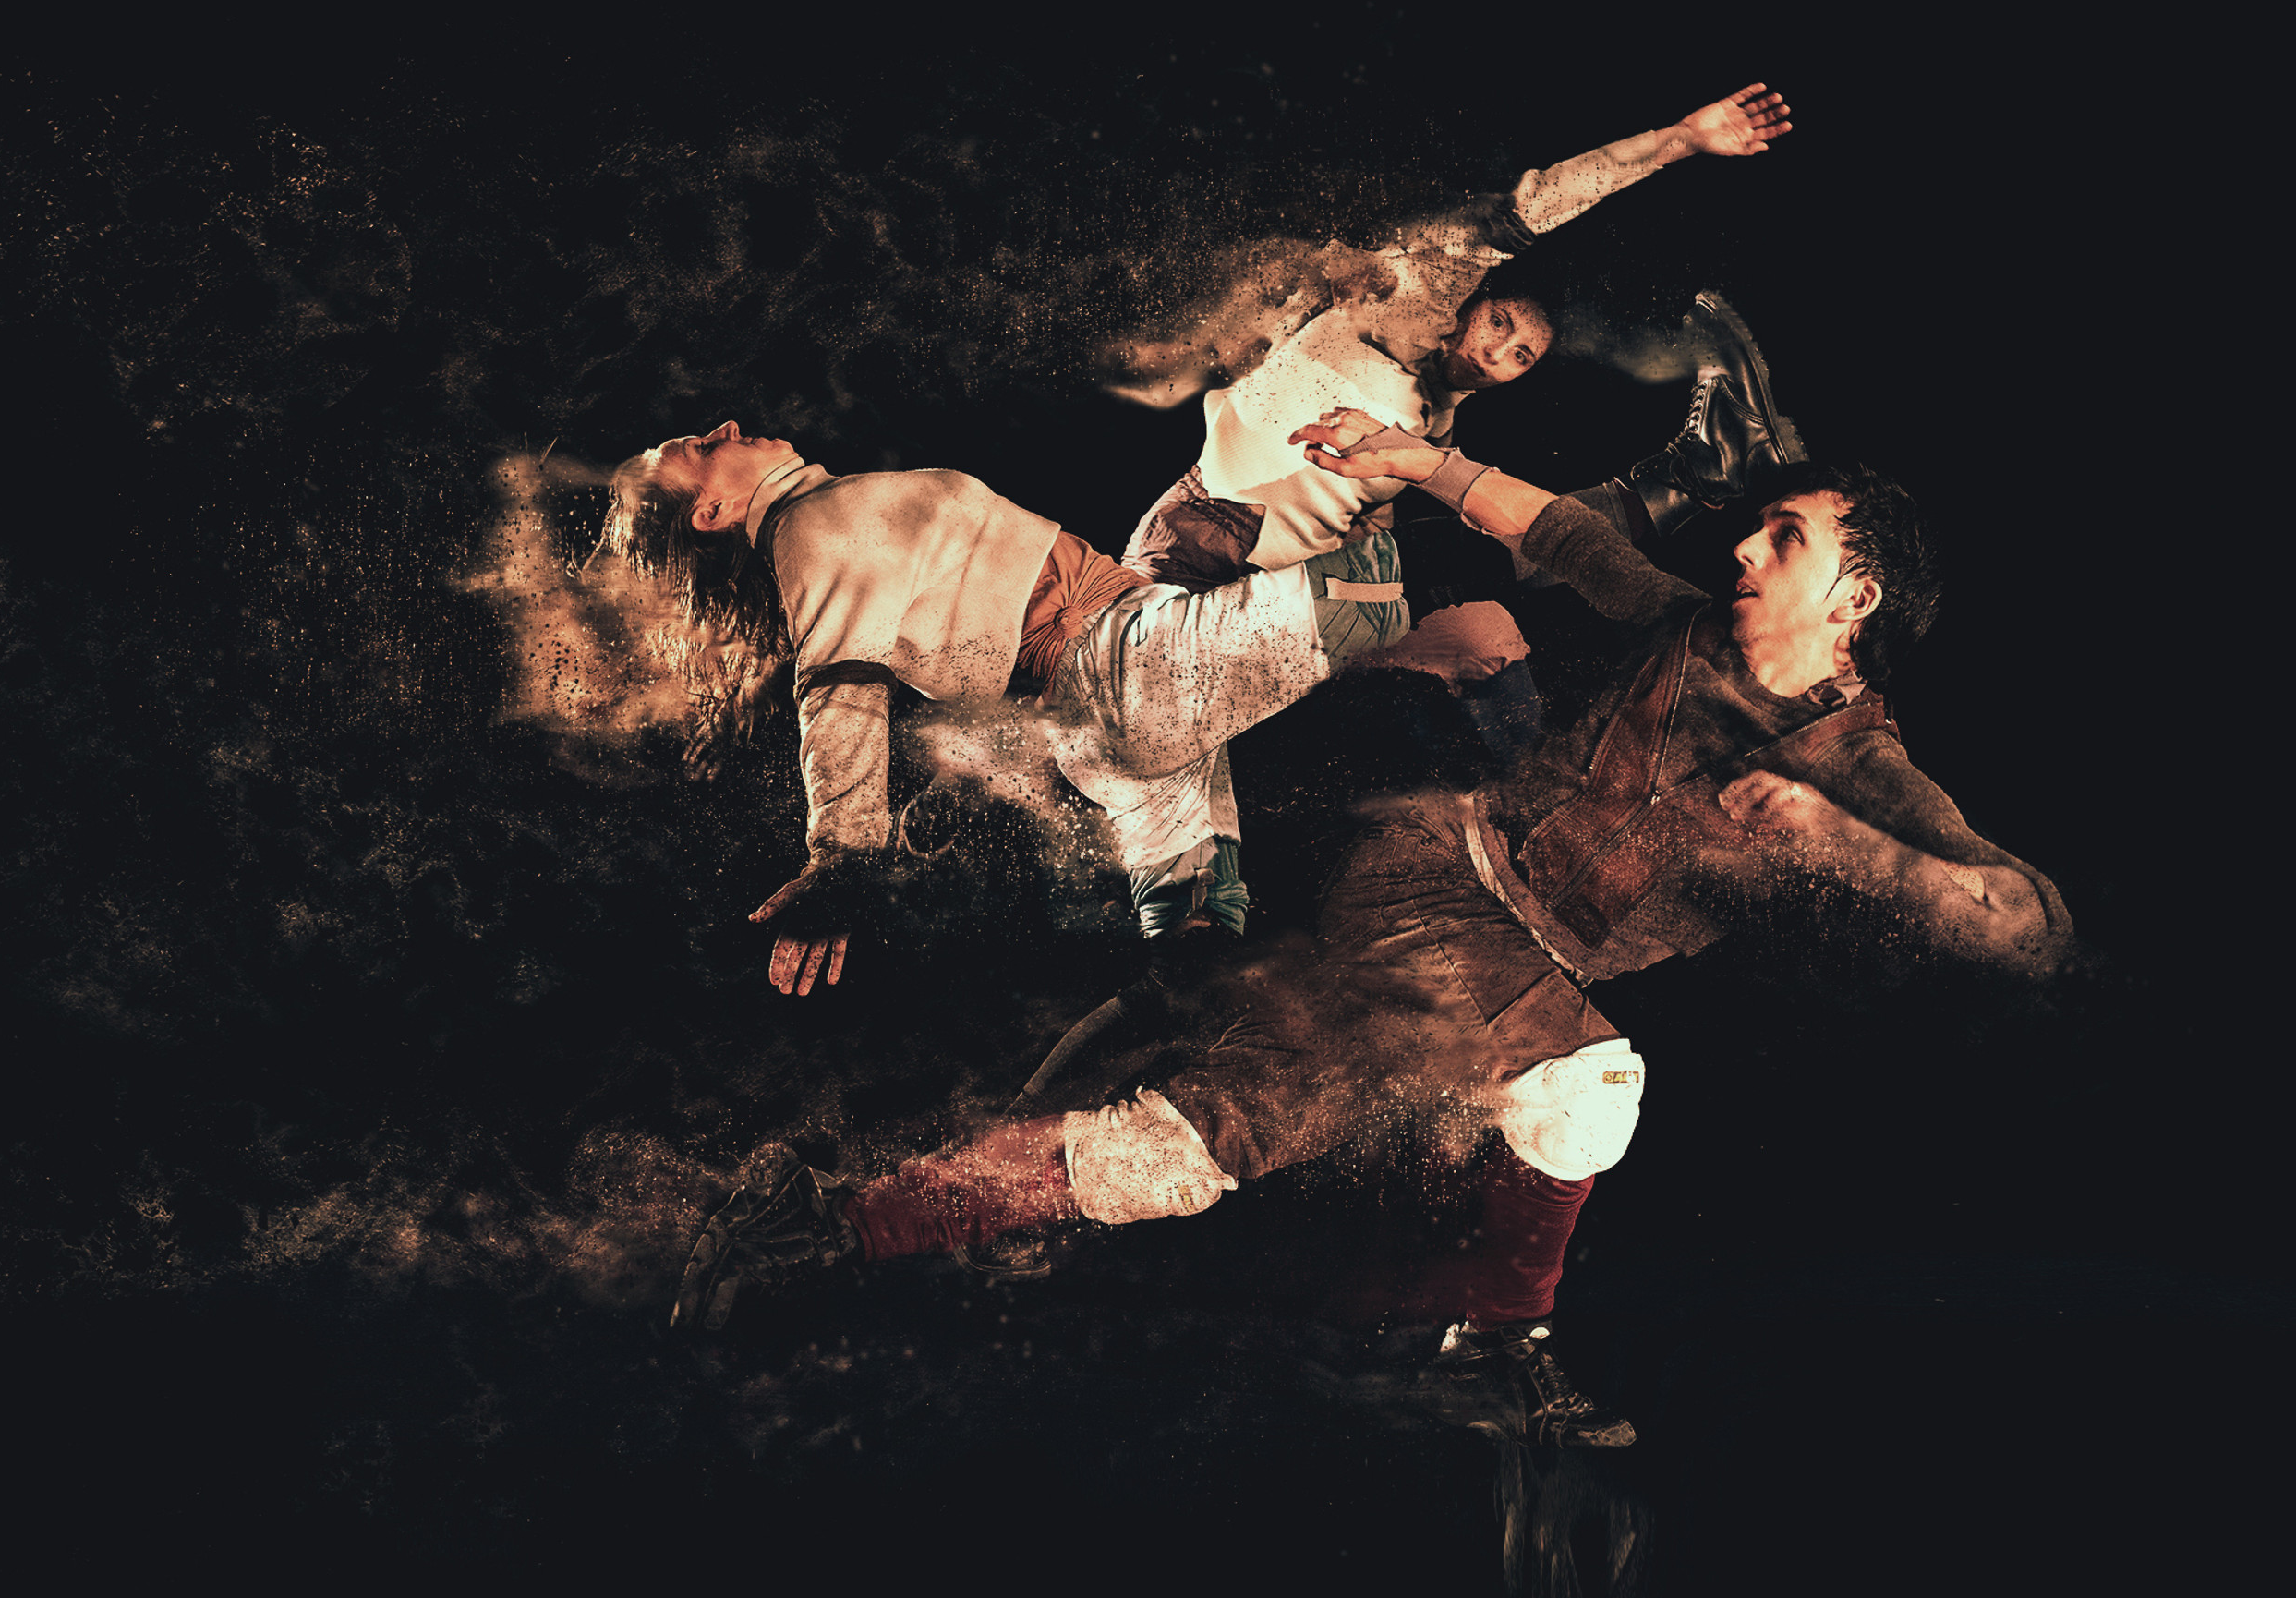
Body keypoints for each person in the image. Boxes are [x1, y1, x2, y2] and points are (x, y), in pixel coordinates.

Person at [670, 430, 2073, 1448]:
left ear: (1855, 598)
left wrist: (1848, 844)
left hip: (1490, 975)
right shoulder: (1681, 623)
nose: (1744, 550)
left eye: (1785, 539)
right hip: (1430, 879)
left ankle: (825, 1221)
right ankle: (1486, 1342)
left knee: (1169, 1158)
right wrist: (1419, 458)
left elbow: (2029, 926)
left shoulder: (1861, 767)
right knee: (1591, 1083)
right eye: (1754, 527)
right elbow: (1562, 534)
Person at [1109, 85, 1796, 938]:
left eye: (1521, 357)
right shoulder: (1389, 312)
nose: (1497, 352)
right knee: (1154, 715)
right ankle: (1191, 917)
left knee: (1485, 635)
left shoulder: (1433, 425)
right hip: (1197, 551)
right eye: (1497, 323)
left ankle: (1551, 828)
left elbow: (1376, 531)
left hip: (1297, 593)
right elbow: (1527, 207)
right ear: (1468, 303)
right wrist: (1677, 141)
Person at [603, 425, 1362, 998]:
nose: (728, 427)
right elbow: (838, 691)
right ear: (712, 511)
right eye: (702, 446)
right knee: (1377, 586)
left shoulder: (824, 518)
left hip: (1111, 689)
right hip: (1124, 664)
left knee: (1197, 955)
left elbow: (936, 662)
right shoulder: (811, 526)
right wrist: (842, 856)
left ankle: (1181, 1037)